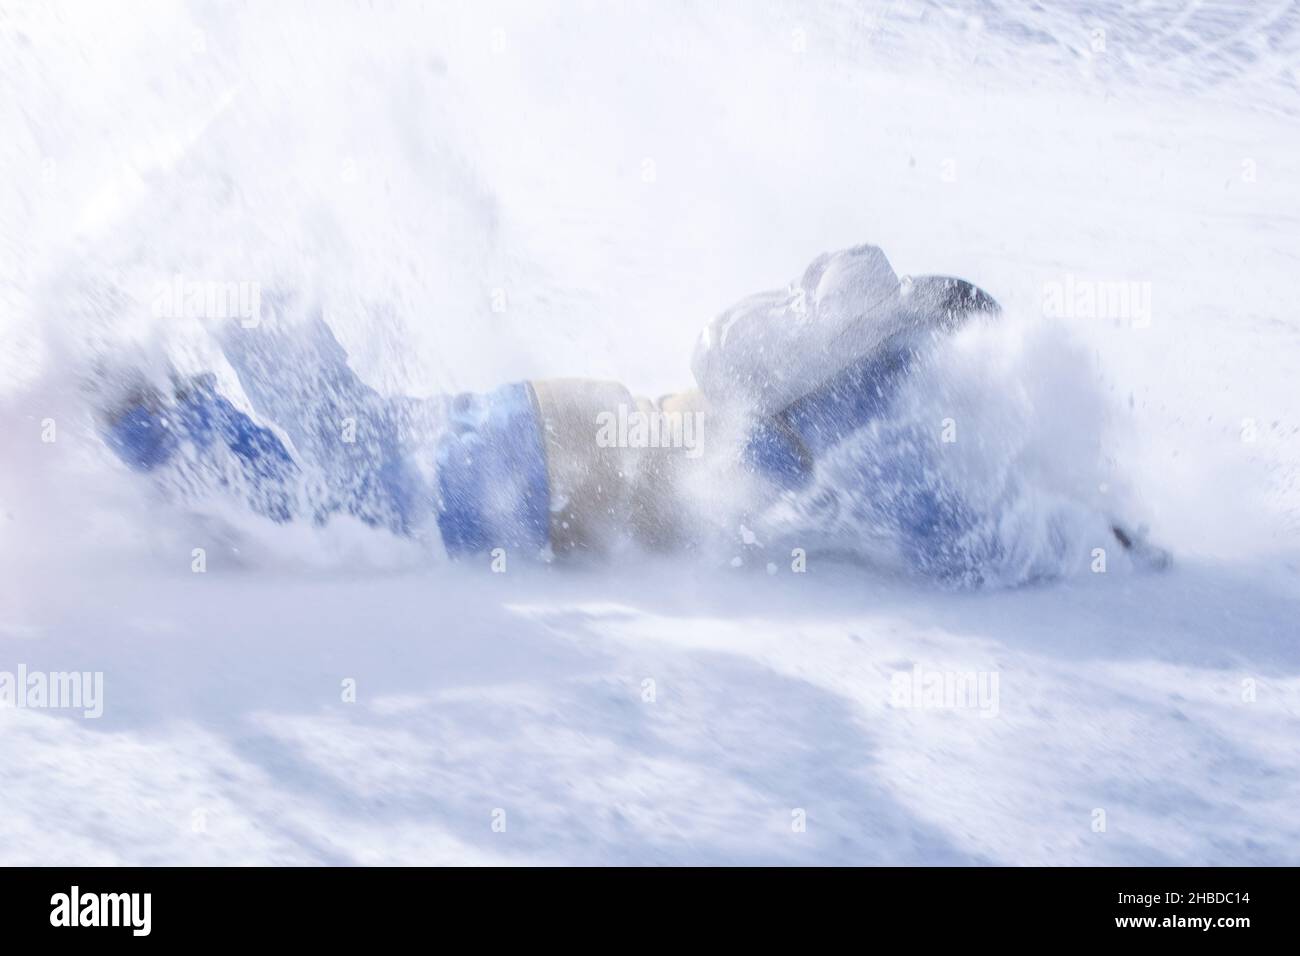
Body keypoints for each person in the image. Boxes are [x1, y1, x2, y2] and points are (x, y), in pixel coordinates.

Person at [102, 243, 1080, 580]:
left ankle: (157, 387)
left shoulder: (844, 359)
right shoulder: (884, 401)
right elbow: (960, 547)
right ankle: (199, 318)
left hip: (570, 437)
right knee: (358, 482)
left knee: (340, 476)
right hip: (569, 470)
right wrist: (1090, 532)